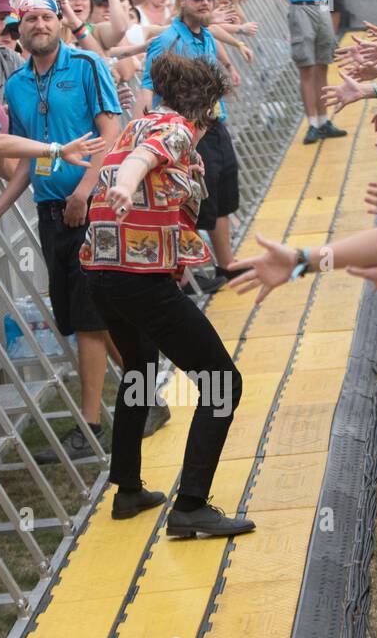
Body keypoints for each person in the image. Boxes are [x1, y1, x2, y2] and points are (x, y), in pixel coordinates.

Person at [81, 52, 253, 538]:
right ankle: (192, 505)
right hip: (137, 282)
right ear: (206, 110)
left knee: (139, 369)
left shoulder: (141, 121)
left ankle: (128, 487)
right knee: (222, 382)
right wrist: (127, 183)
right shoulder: (175, 129)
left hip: (103, 274)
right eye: (217, 114)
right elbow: (144, 159)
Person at [0, 0, 122, 463]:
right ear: (19, 28)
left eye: (45, 16)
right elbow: (28, 158)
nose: (38, 24)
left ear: (58, 21)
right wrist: (1, 203)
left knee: (88, 318)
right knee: (84, 316)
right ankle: (152, 395)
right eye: (29, 18)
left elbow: (110, 136)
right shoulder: (16, 85)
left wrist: (84, 190)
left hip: (92, 207)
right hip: (51, 213)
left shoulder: (86, 66)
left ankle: (90, 427)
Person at [141, 0, 241, 293]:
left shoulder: (206, 35)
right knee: (193, 205)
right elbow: (148, 86)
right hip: (188, 132)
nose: (205, 3)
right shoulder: (167, 39)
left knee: (224, 195)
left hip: (214, 123)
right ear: (181, 2)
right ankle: (186, 277)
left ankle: (228, 266)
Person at [288, 0, 348, 144]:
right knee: (307, 68)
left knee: (323, 66)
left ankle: (324, 121)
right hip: (301, 9)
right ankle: (312, 124)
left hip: (322, 6)